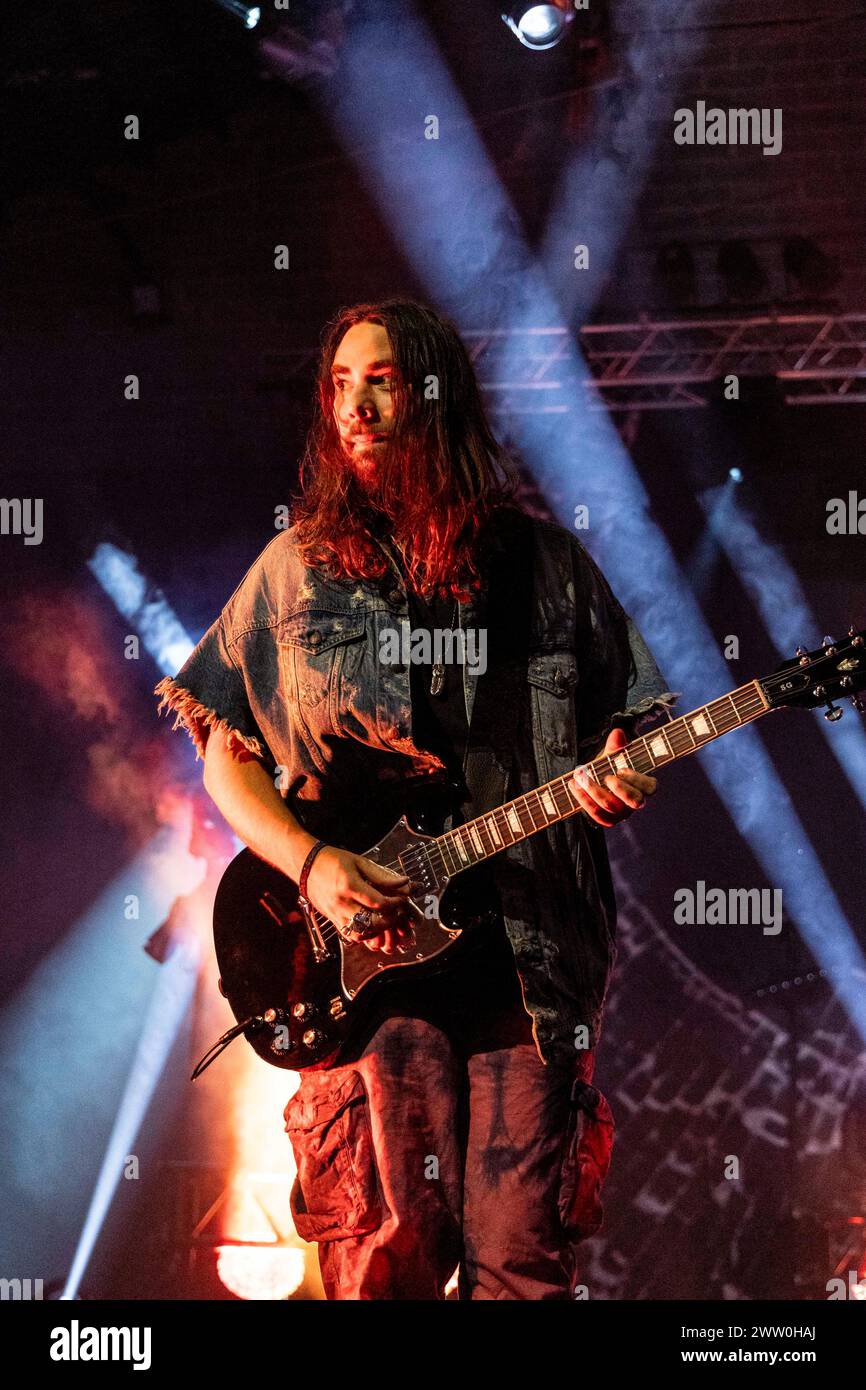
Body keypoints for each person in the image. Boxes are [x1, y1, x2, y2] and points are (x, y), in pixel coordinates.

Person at [154, 298, 677, 1299]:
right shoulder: (294, 570)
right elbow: (225, 757)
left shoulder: (543, 565)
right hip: (363, 962)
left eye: (381, 378)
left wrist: (625, 760)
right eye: (340, 384)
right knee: (386, 1253)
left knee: (522, 1258)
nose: (354, 405)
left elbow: (638, 718)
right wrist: (311, 864)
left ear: (434, 391)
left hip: (527, 956)